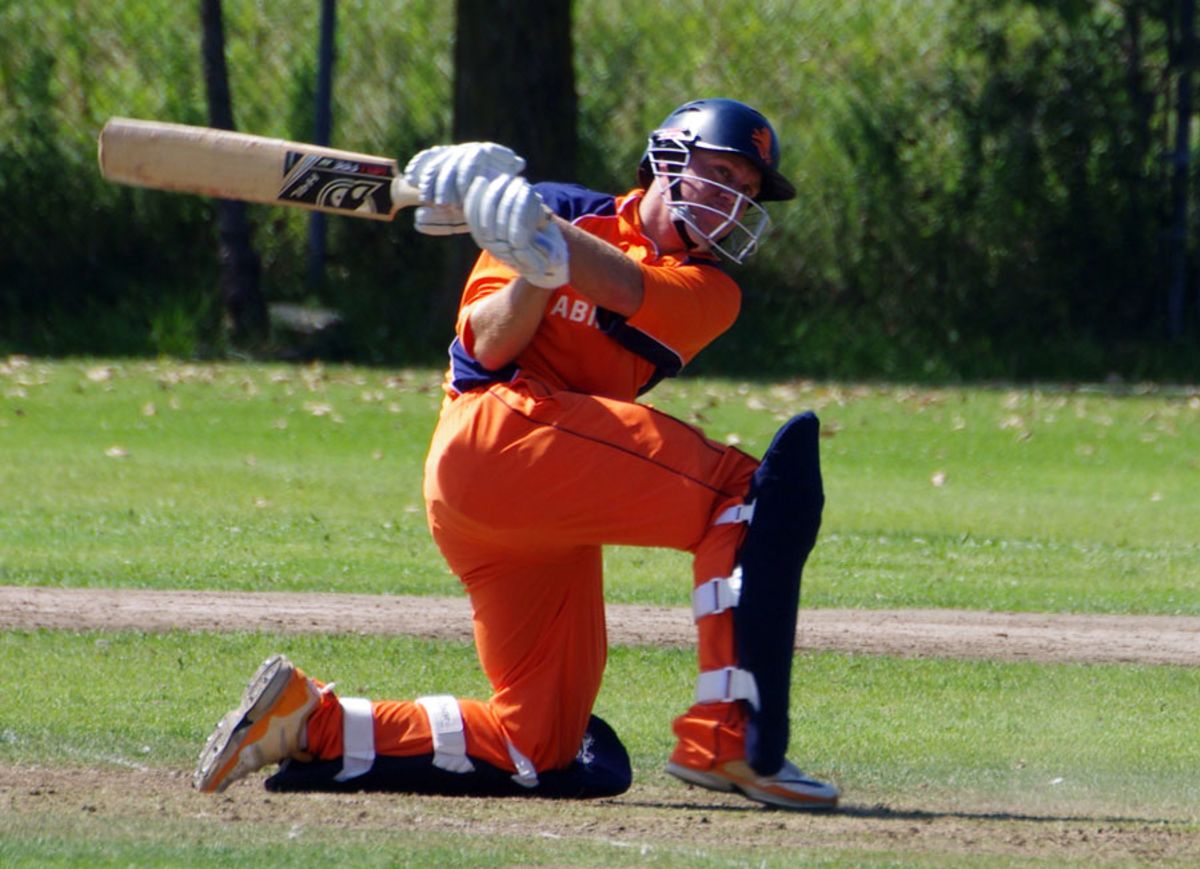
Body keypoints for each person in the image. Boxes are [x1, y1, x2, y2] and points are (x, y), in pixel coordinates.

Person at [193, 97, 839, 810]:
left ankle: (307, 719)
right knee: (744, 493)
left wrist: (537, 234)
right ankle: (735, 738)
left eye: (747, 192)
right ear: (668, 161)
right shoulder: (556, 206)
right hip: (488, 438)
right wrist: (534, 259)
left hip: (545, 497)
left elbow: (626, 286)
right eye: (722, 175)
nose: (733, 202)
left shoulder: (711, 290)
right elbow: (489, 345)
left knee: (540, 743)